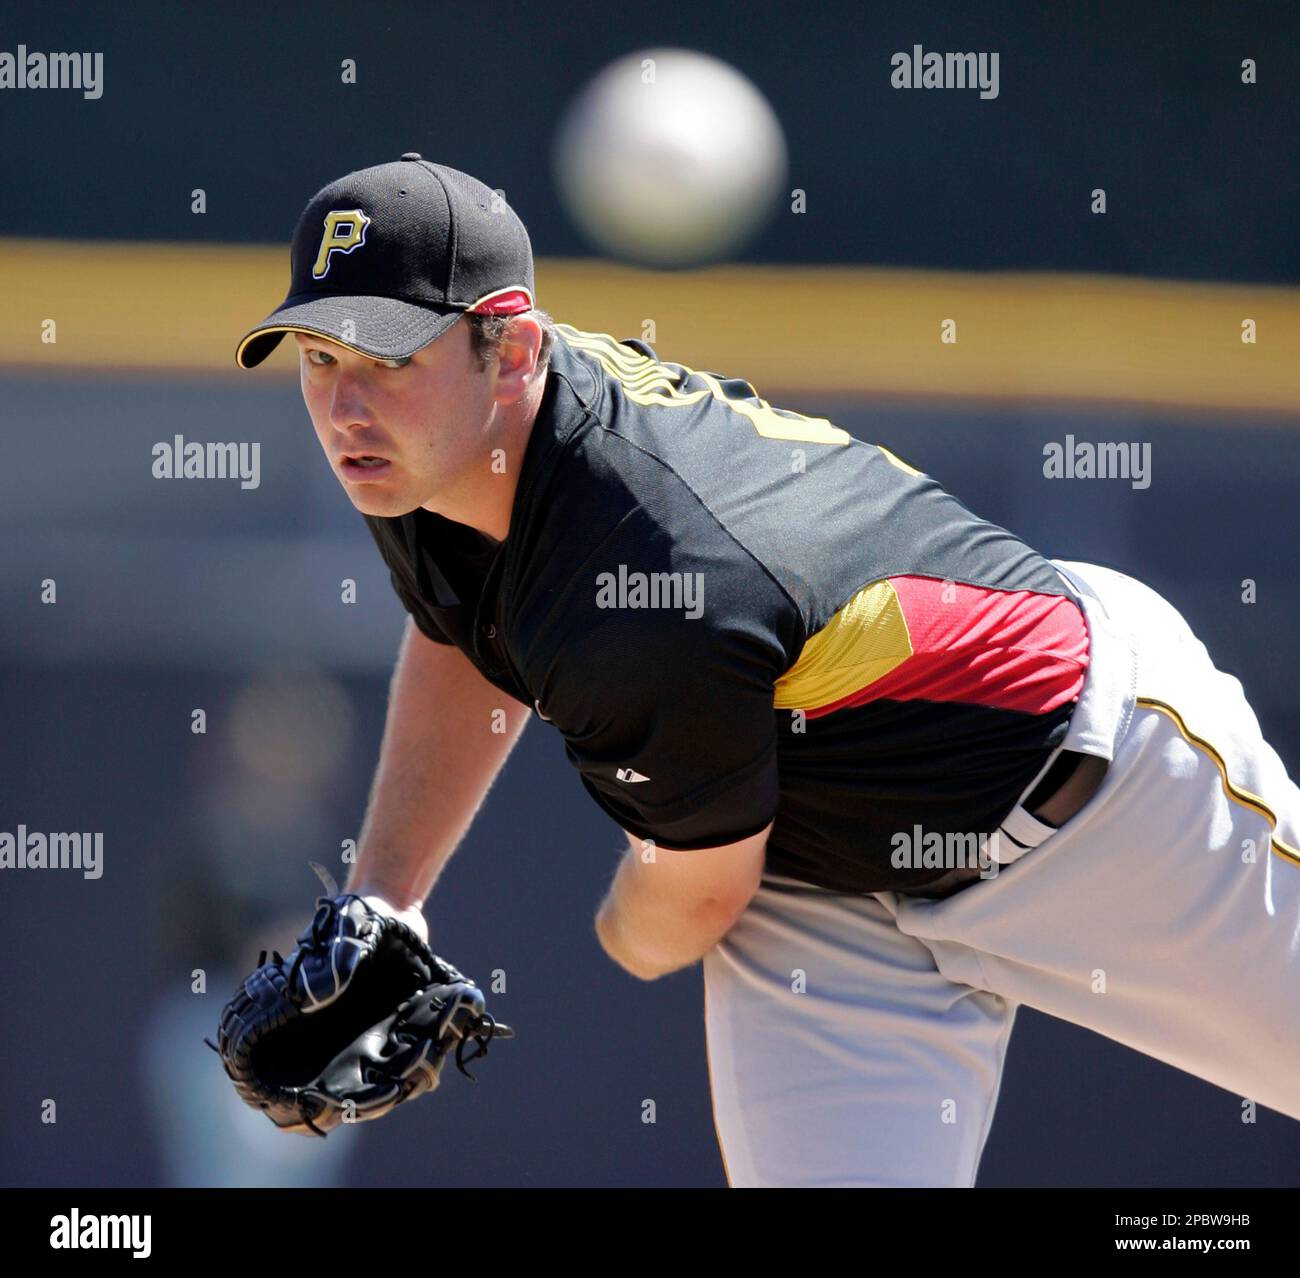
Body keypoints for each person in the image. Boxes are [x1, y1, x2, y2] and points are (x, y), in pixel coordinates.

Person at [236, 154, 1300, 1187]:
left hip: (1095, 787)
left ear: (512, 349)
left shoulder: (652, 575)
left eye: (386, 358)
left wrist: (612, 938)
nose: (344, 407)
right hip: (820, 879)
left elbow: (686, 908)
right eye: (319, 359)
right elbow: (462, 629)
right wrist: (389, 900)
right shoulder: (436, 458)